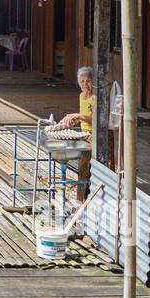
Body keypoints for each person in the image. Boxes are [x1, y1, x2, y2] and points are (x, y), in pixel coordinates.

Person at [58, 66, 95, 200]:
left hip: (94, 134)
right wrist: (70, 120)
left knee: (85, 165)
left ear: (93, 81)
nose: (85, 84)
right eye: (82, 81)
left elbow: (94, 119)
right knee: (76, 161)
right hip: (83, 132)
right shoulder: (81, 96)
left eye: (88, 81)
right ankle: (81, 196)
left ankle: (83, 197)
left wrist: (78, 116)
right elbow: (82, 118)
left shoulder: (95, 98)